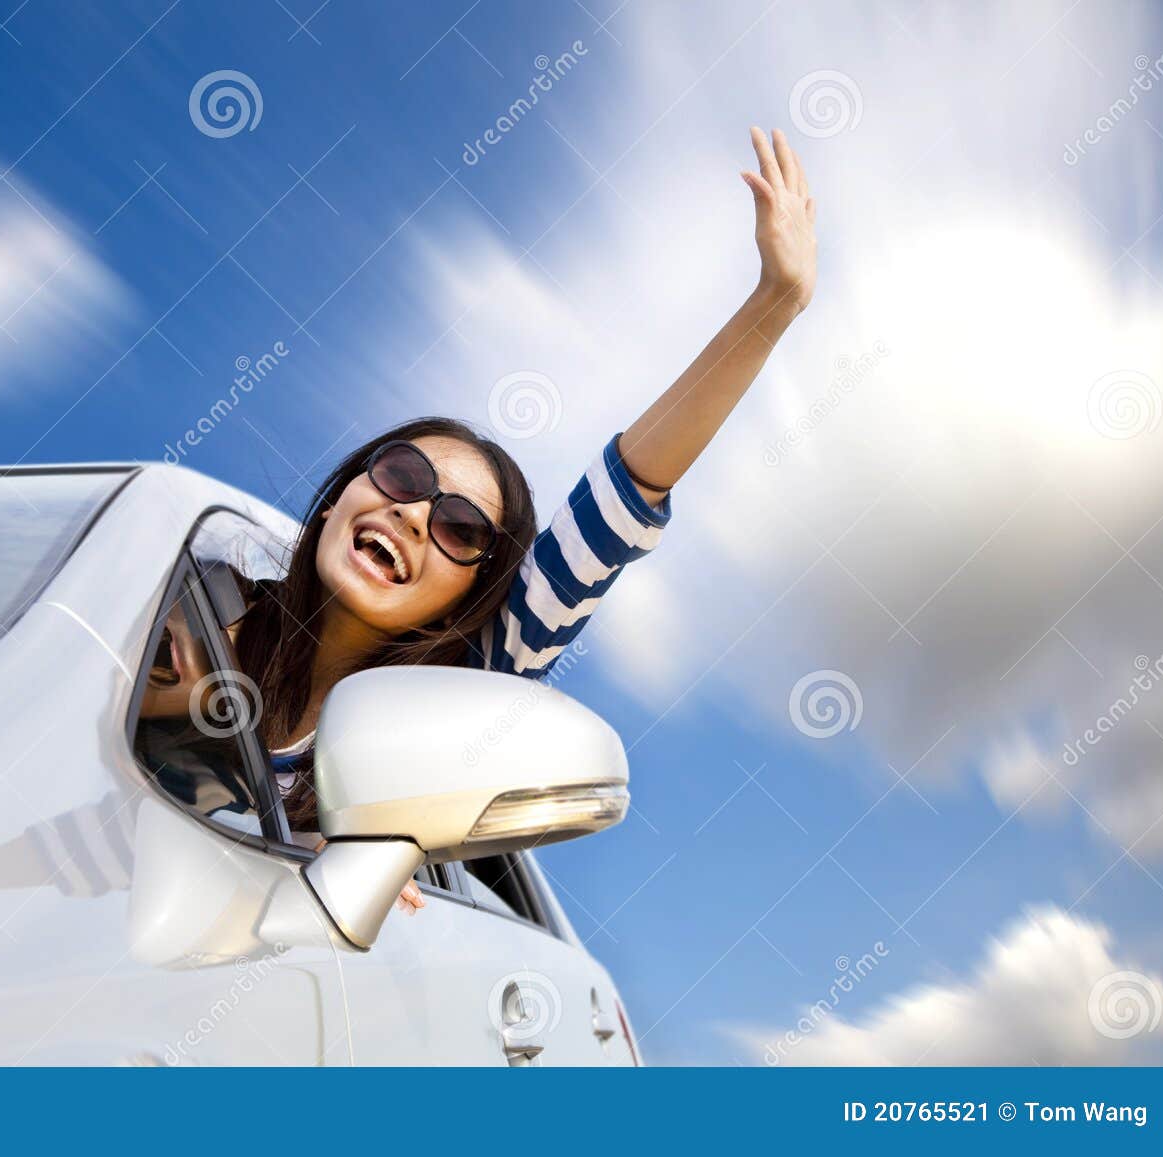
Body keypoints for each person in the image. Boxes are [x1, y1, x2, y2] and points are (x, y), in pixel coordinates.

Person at [234, 127, 816, 914]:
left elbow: (620, 498)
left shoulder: (474, 678)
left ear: (472, 596)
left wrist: (773, 304)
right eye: (401, 475)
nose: (411, 513)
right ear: (341, 495)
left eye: (461, 528)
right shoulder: (206, 613)